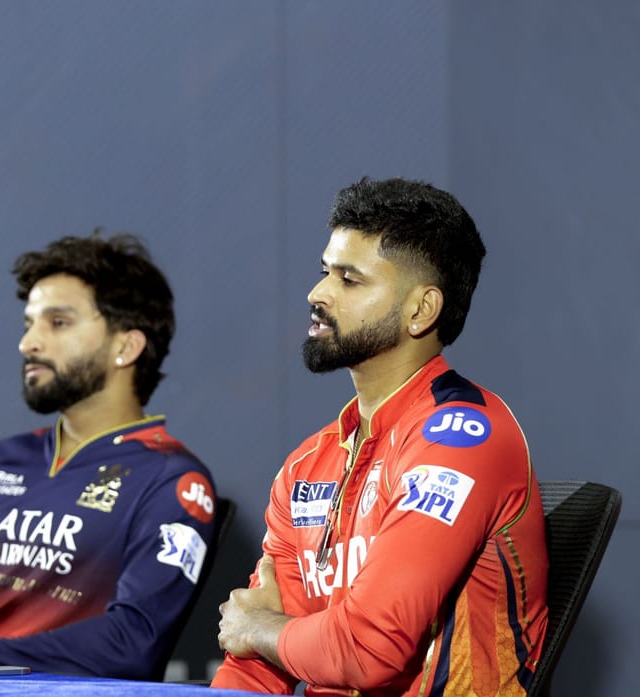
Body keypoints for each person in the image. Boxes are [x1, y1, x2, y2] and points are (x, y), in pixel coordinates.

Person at [211, 177, 548, 696]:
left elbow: (368, 649)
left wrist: (259, 630)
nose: (317, 293)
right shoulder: (308, 465)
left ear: (420, 310)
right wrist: (259, 635)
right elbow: (253, 667)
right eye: (325, 271)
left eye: (350, 280)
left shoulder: (461, 439)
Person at [0, 233, 217, 680]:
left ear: (126, 347)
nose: (28, 344)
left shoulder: (173, 481)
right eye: (28, 324)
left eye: (57, 323)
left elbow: (134, 642)